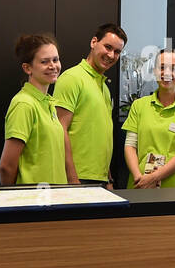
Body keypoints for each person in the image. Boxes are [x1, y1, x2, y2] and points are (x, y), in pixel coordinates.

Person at [54, 22, 127, 186]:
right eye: (108, 47)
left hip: (99, 178)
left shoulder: (105, 89)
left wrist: (108, 177)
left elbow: (101, 136)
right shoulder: (72, 78)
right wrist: (73, 179)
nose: (111, 55)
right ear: (94, 42)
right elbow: (60, 130)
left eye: (117, 52)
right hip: (77, 178)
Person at [122, 49, 175, 188]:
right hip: (139, 185)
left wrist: (154, 177)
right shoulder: (139, 105)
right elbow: (130, 145)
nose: (166, 73)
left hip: (173, 189)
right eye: (162, 67)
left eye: (173, 68)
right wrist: (138, 178)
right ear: (154, 71)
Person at [0, 34, 72, 185]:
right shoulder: (24, 104)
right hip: (33, 202)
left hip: (56, 199)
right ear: (27, 68)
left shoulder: (49, 103)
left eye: (55, 59)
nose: (53, 66)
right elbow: (6, 167)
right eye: (44, 62)